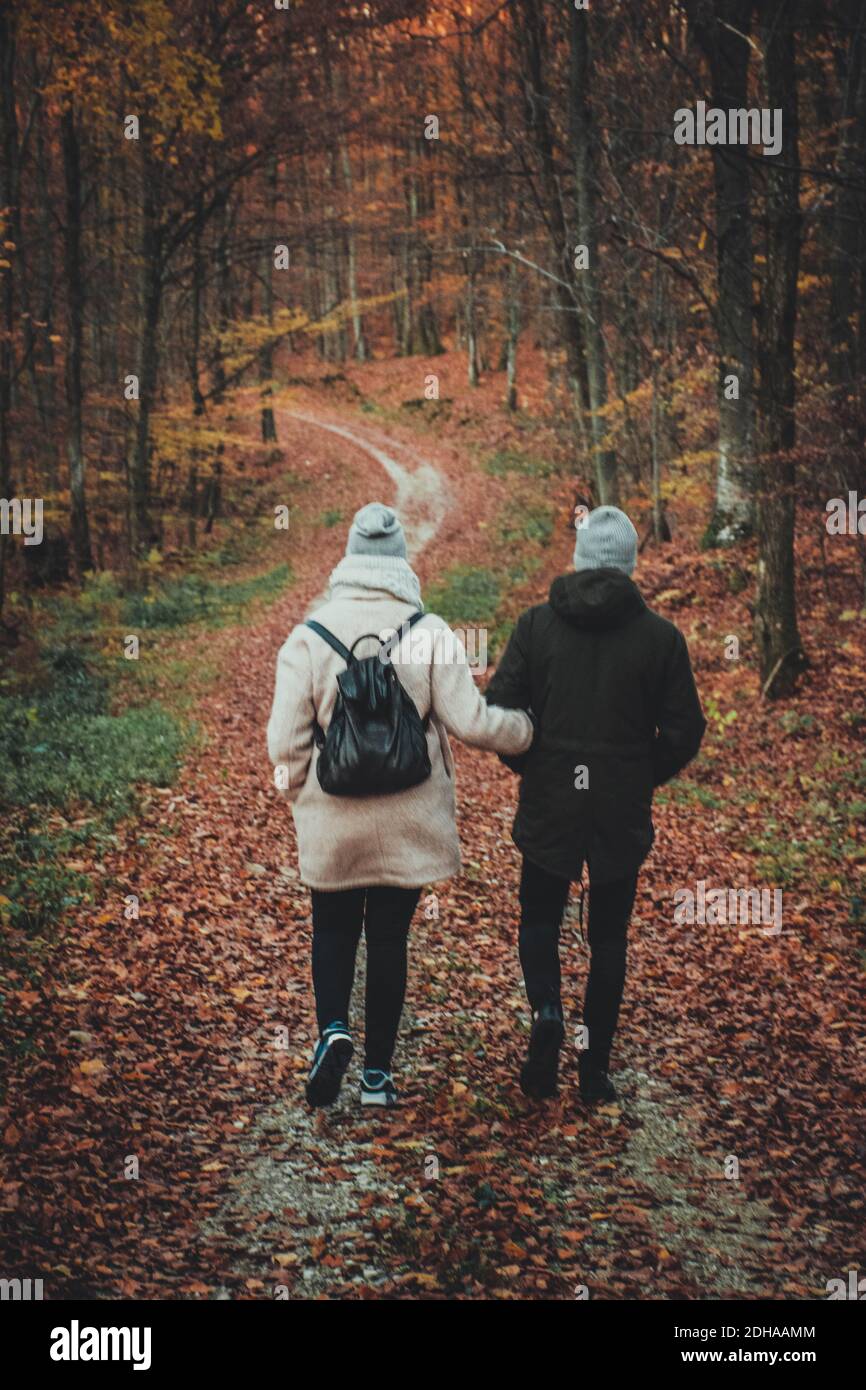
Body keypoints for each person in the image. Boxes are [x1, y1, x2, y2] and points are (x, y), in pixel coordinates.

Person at [267, 503, 533, 1109]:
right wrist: (528, 732)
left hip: (333, 823)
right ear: (400, 563)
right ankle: (378, 1079)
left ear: (349, 560)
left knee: (332, 930)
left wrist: (301, 797)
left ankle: (333, 1030)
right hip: (410, 820)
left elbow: (283, 742)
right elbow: (470, 721)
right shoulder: (430, 630)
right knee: (389, 939)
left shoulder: (308, 636)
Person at [484, 505, 706, 1104]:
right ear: (630, 565)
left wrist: (529, 765)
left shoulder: (536, 626)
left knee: (538, 919)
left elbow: (501, 712)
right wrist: (639, 775)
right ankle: (594, 1071)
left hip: (552, 798)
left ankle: (548, 1014)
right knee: (608, 938)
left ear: (579, 559)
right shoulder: (661, 639)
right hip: (618, 807)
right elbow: (686, 730)